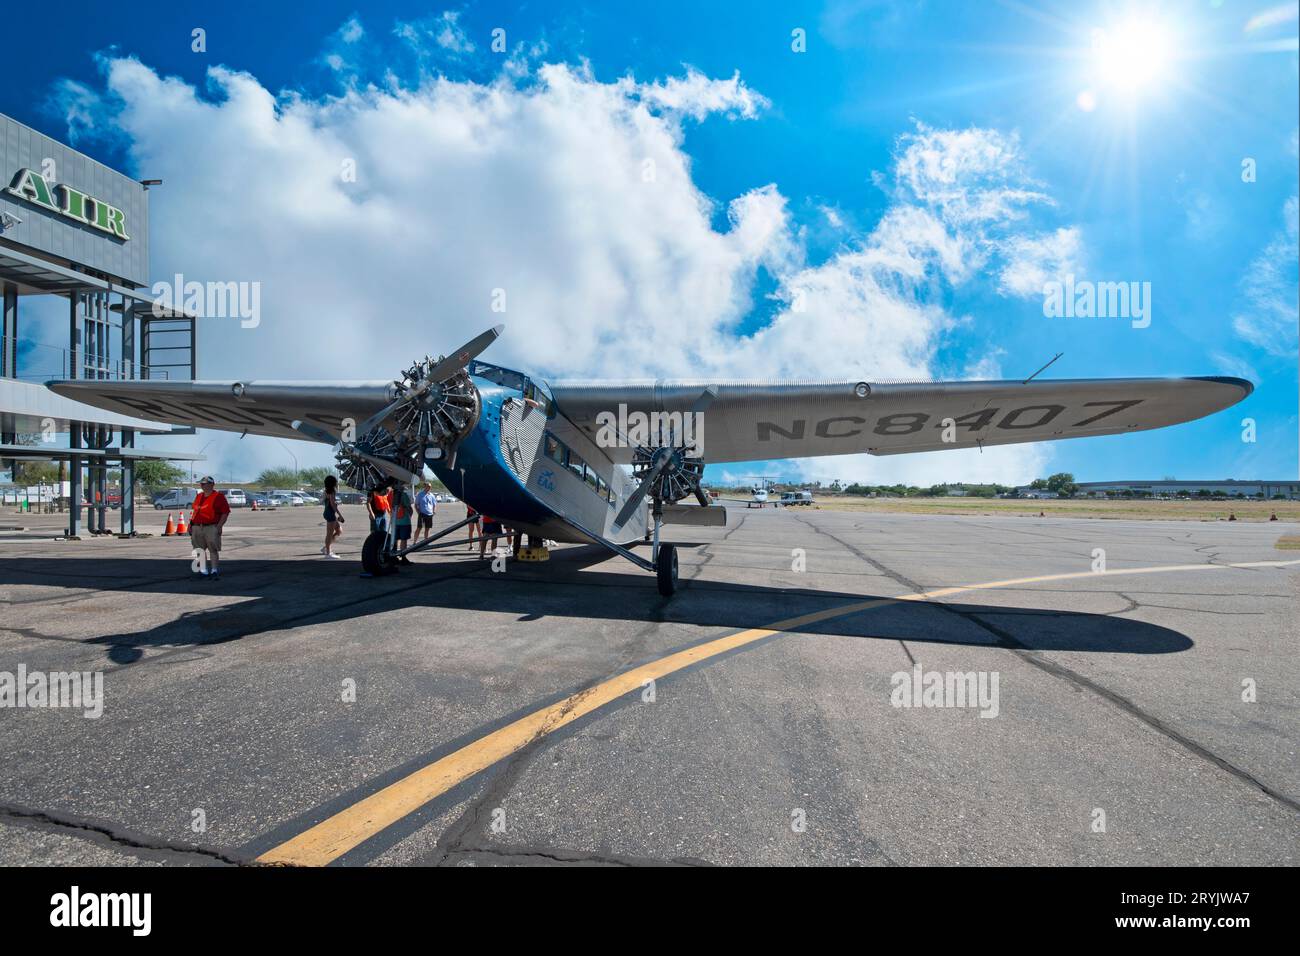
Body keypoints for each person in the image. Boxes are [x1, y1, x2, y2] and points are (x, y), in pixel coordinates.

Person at [189, 476, 231, 579]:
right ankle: (203, 571)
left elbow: (225, 513)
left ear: (212, 484)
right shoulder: (199, 496)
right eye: (202, 484)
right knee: (199, 550)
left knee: (213, 549)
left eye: (205, 484)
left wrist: (220, 526)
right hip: (197, 527)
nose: (203, 486)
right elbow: (195, 512)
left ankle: (214, 571)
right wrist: (190, 525)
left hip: (211, 527)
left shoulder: (218, 496)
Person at [321, 475, 344, 558]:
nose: (336, 482)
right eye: (335, 481)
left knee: (339, 530)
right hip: (330, 513)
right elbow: (333, 504)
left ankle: (326, 548)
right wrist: (340, 515)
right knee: (329, 534)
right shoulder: (331, 491)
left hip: (329, 513)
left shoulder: (327, 491)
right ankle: (328, 553)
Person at [392, 485, 414, 564]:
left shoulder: (391, 495)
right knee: (403, 540)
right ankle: (403, 556)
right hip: (404, 521)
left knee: (394, 539)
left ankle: (393, 556)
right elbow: (409, 508)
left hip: (395, 521)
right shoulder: (403, 495)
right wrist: (410, 515)